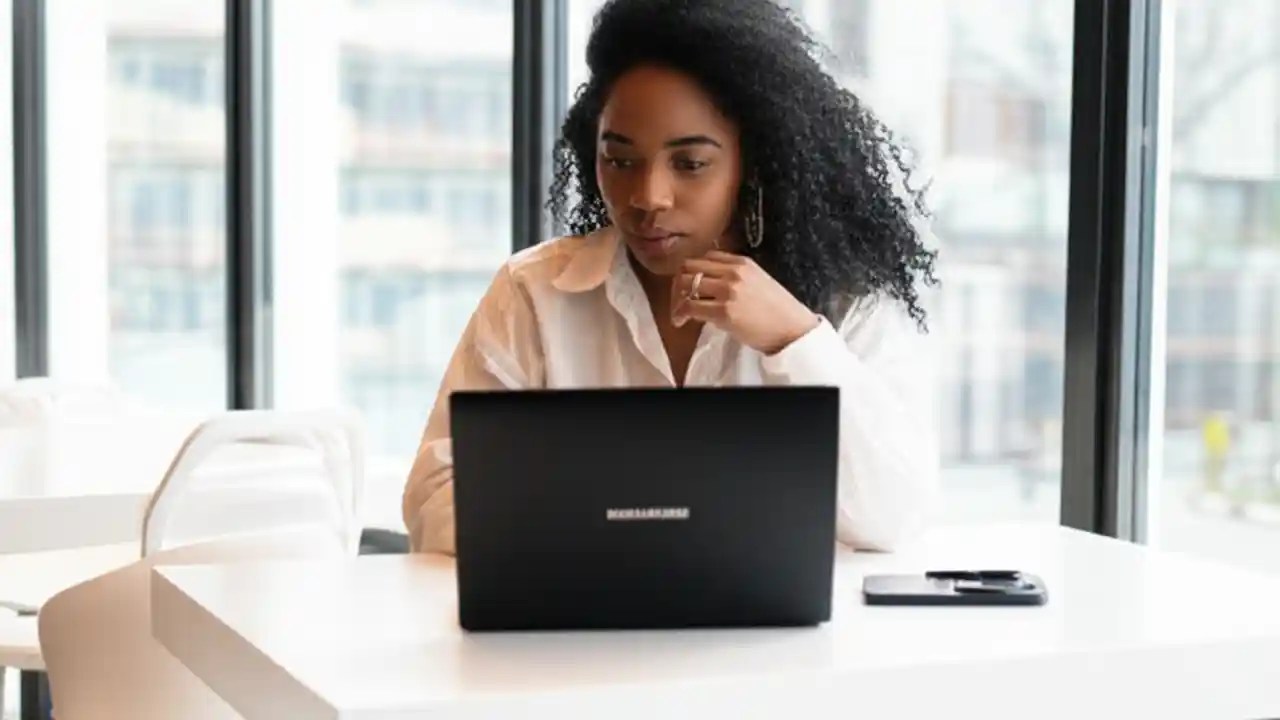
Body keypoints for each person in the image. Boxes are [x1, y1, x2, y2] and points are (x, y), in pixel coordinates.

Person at [403, 0, 939, 555]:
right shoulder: (533, 293)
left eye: (689, 164)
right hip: (575, 638)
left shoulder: (846, 301)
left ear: (754, 162)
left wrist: (794, 339)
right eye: (620, 160)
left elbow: (893, 519)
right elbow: (434, 504)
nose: (647, 198)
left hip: (778, 643)